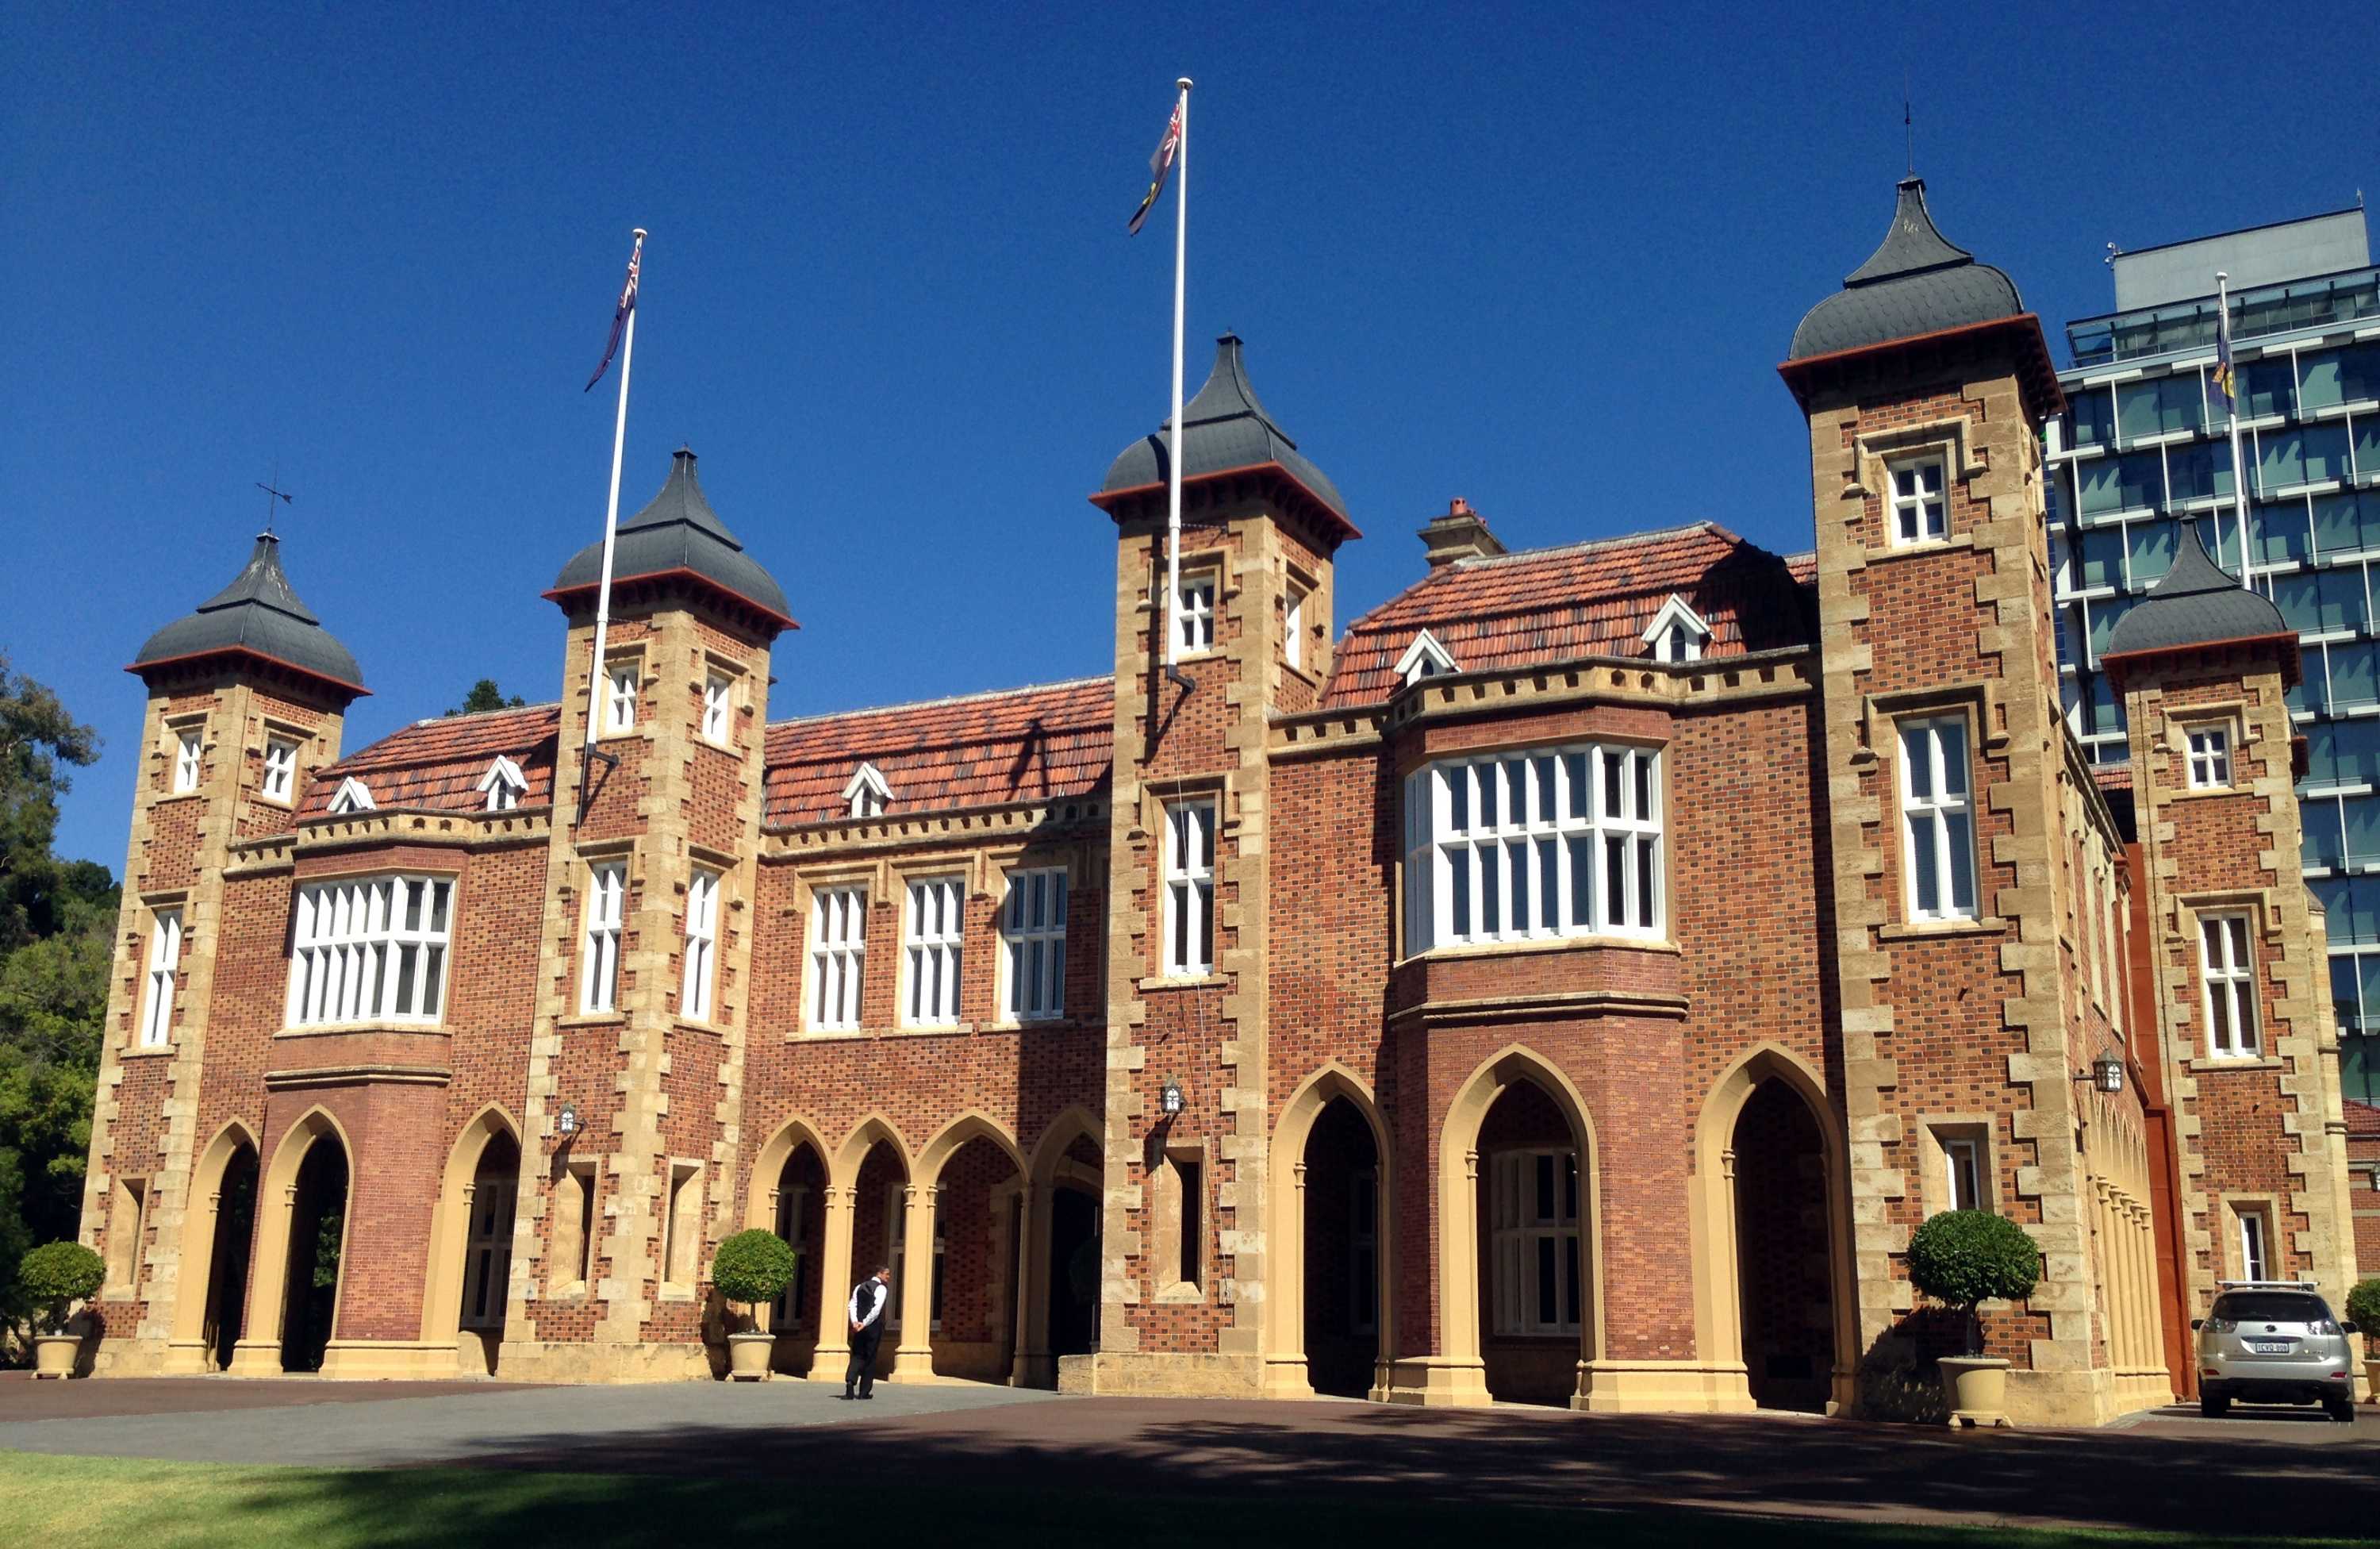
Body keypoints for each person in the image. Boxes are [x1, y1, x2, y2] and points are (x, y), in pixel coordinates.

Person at [843, 1264, 892, 1399]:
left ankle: (850, 1381)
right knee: (870, 1357)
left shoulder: (860, 1287)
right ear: (879, 1274)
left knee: (857, 1355)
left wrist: (855, 1322)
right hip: (872, 1327)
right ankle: (864, 1392)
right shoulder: (881, 1288)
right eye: (887, 1274)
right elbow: (876, 1310)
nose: (888, 1277)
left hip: (858, 1326)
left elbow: (852, 1305)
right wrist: (864, 1323)